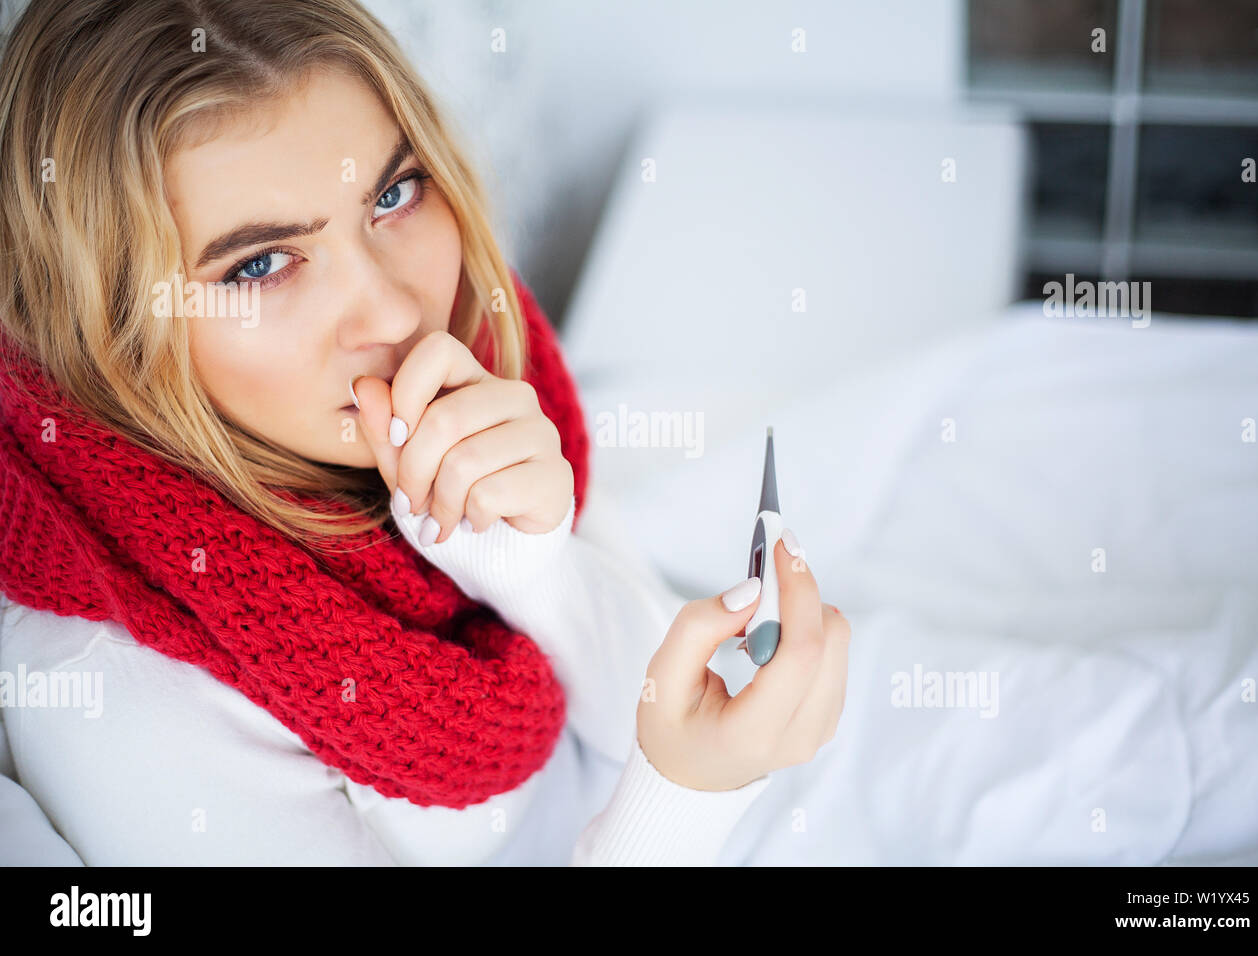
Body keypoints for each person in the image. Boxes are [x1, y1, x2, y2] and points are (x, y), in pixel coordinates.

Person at [0, 0, 850, 866]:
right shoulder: (119, 691)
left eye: (393, 195)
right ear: (107, 336)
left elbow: (650, 704)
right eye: (259, 265)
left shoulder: (481, 362)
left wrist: (532, 567)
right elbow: (672, 766)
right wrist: (682, 800)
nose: (396, 312)